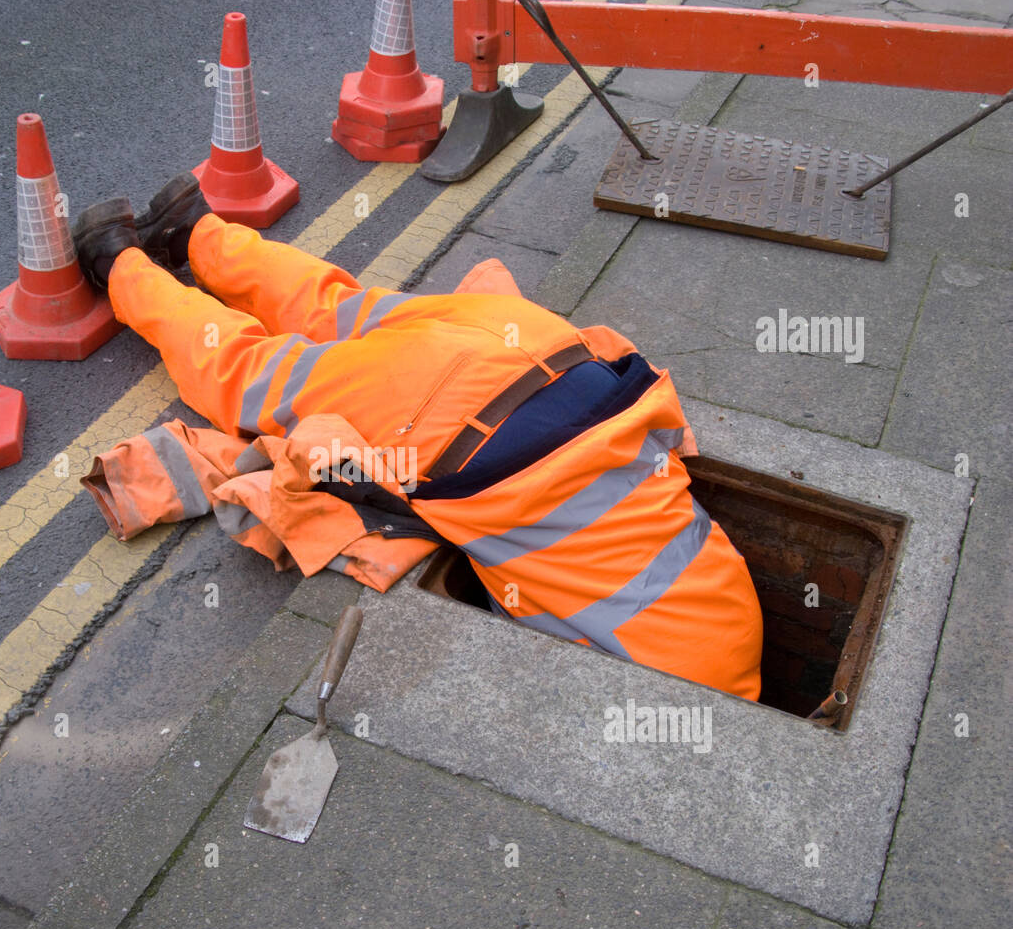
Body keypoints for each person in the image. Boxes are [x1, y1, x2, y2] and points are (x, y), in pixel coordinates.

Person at [73, 175, 764, 700]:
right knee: (250, 375)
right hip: (458, 427)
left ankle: (197, 232)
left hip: (556, 359)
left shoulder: (739, 631)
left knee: (340, 310)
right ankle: (121, 266)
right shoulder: (664, 692)